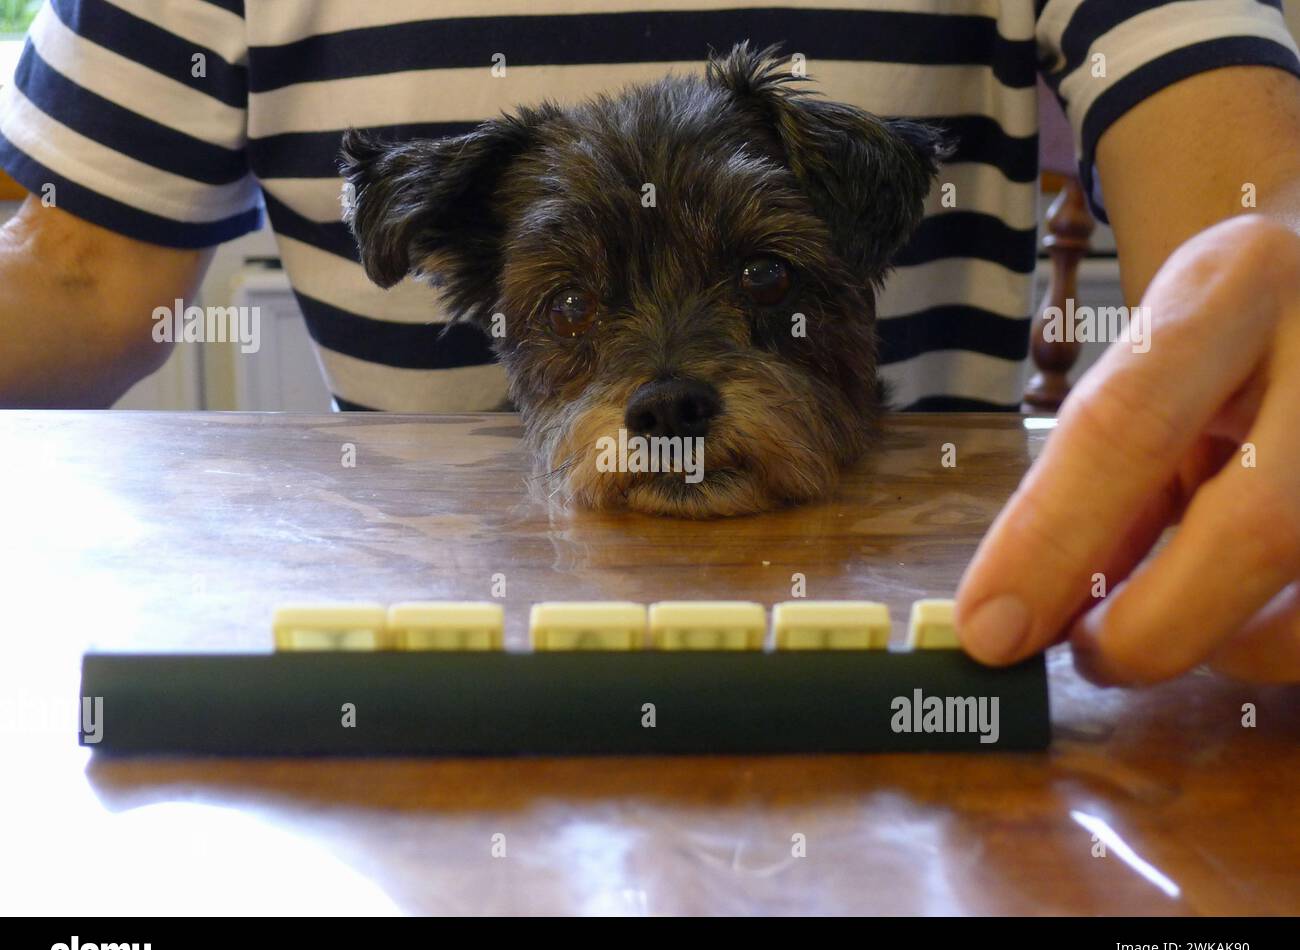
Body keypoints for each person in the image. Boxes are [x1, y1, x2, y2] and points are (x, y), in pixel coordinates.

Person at [0, 1, 1297, 684]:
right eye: (571, 311)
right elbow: (68, 276)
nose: (671, 381)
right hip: (453, 675)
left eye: (765, 280)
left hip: (941, 657)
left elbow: (1251, 216)